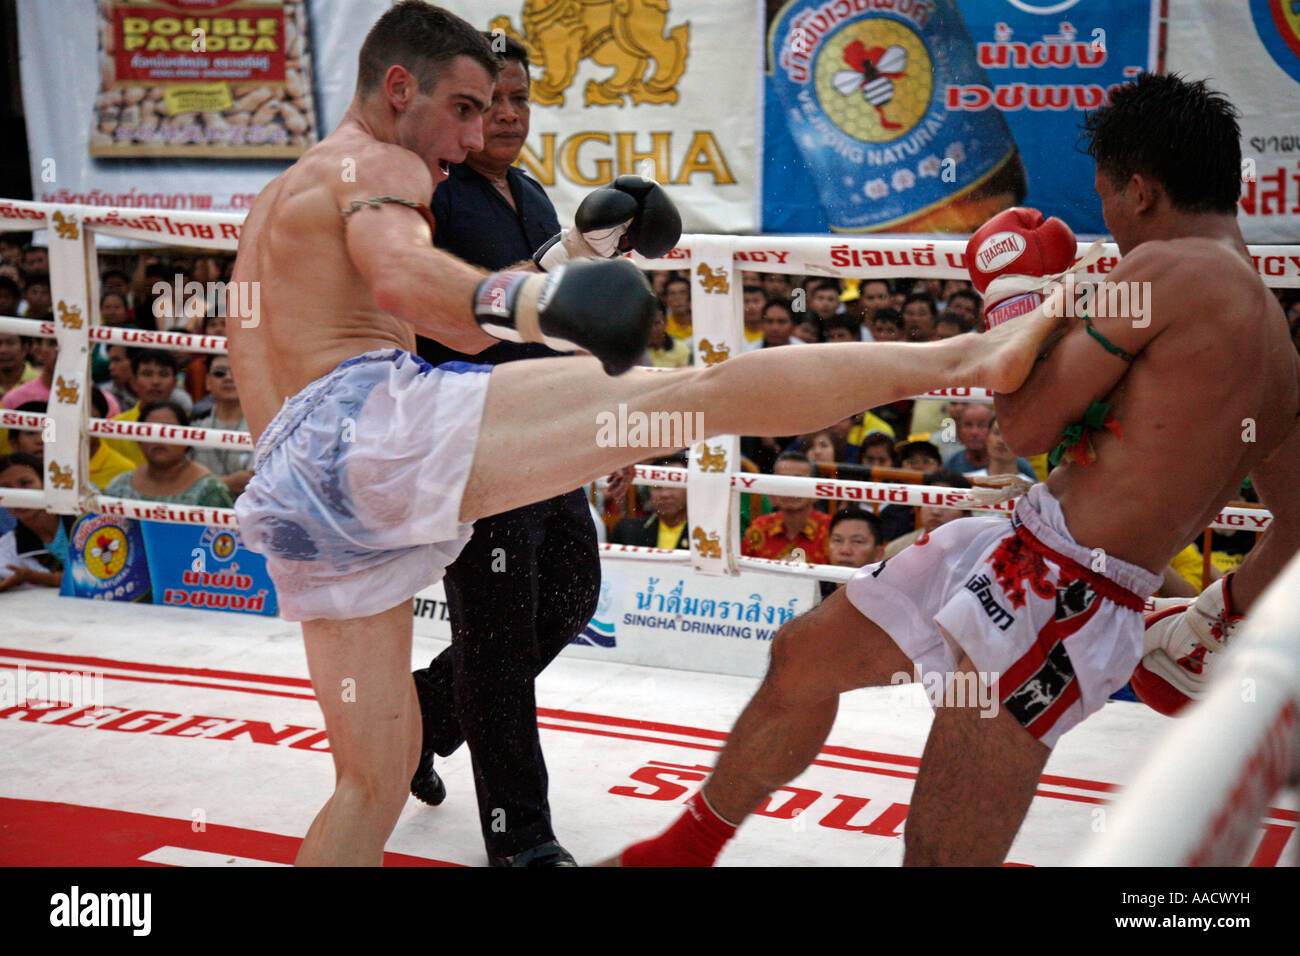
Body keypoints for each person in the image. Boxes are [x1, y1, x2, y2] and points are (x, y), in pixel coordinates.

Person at [223, 1, 1063, 866]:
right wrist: (541, 303)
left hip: (297, 494)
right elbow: (405, 276)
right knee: (700, 393)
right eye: (466, 107)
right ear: (399, 87)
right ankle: (973, 352)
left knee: (373, 778)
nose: (476, 136)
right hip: (365, 430)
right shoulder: (379, 161)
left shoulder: (290, 192)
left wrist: (573, 259)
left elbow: (452, 327)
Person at [605, 73, 1300, 867]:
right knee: (805, 656)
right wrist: (1215, 617)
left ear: (1141, 191)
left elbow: (1026, 422)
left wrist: (1010, 297)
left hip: (1061, 600)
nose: (1108, 219)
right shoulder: (1278, 347)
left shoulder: (1169, 272)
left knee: (941, 855)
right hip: (1028, 545)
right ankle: (683, 850)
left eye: (1107, 195)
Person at [406, 31, 623, 868]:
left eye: (519, 98)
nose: (505, 114)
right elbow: (437, 317)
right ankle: (520, 837)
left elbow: (554, 316)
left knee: (571, 596)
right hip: (476, 438)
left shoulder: (531, 195)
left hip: (550, 435)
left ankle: (423, 713)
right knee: (495, 641)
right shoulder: (436, 194)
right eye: (488, 99)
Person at [103, 400, 234, 508]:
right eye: (151, 431)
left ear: (186, 438)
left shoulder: (210, 490)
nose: (159, 438)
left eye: (168, 431)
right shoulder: (120, 487)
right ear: (139, 440)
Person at [741, 452, 830, 563]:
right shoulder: (760, 528)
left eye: (799, 482)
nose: (790, 489)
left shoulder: (830, 531)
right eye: (783, 481)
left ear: (816, 491)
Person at [189, 354, 254, 499]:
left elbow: (253, 481)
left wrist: (206, 481)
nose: (228, 378)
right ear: (207, 382)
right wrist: (229, 482)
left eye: (236, 372)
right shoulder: (194, 428)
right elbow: (184, 481)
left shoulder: (262, 428)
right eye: (219, 373)